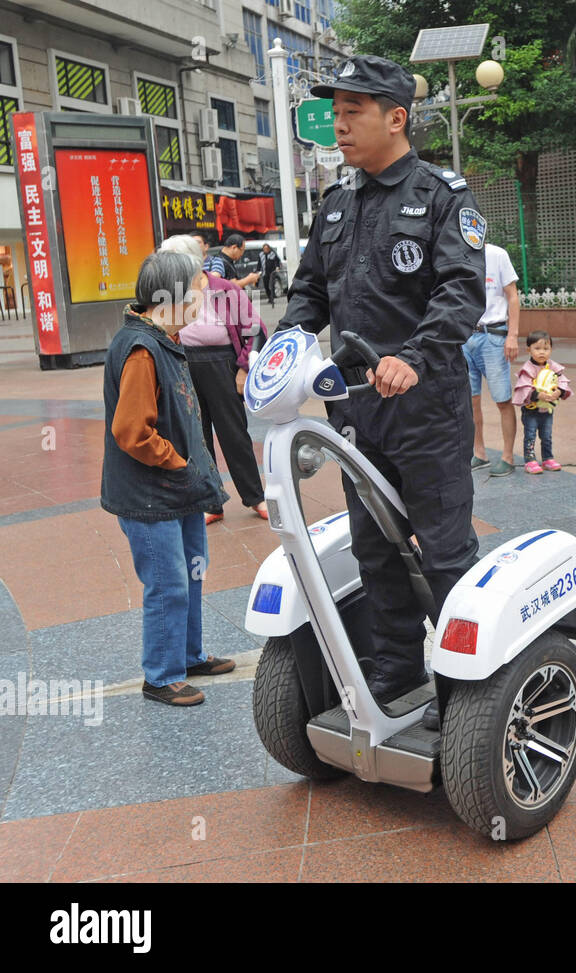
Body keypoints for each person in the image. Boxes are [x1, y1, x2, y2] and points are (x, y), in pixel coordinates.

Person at [277, 54, 486, 705]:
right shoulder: (335, 204)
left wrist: (415, 355)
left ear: (396, 118)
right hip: (357, 414)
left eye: (352, 112)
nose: (337, 126)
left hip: (425, 408)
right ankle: (397, 665)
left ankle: (464, 682)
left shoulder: (442, 197)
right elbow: (309, 291)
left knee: (445, 549)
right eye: (334, 114)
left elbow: (461, 291)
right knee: (374, 549)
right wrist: (284, 342)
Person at [100, 251, 235, 707]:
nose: (203, 299)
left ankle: (189, 655)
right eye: (196, 290)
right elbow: (132, 431)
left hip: (180, 490)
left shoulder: (165, 339)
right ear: (170, 298)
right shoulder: (141, 349)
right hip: (152, 494)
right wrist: (178, 464)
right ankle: (161, 675)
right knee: (168, 582)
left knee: (192, 573)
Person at [160, 235, 270, 525]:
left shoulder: (225, 289)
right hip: (185, 364)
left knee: (234, 433)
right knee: (196, 437)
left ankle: (255, 496)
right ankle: (210, 501)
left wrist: (244, 368)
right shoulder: (171, 292)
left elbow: (255, 329)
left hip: (223, 364)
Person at [464, 241, 520, 477]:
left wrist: (512, 335)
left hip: (494, 336)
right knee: (471, 400)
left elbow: (513, 296)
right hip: (465, 336)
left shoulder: (497, 254)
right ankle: (480, 453)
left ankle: (507, 456)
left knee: (502, 400)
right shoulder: (457, 252)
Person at [512, 330, 572, 474]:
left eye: (546, 349)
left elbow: (562, 381)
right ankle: (530, 460)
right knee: (530, 435)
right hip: (531, 410)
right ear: (528, 349)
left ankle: (547, 458)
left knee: (546, 435)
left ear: (551, 349)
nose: (542, 352)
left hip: (547, 410)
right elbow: (524, 386)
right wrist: (538, 395)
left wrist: (559, 391)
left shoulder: (553, 366)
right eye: (537, 348)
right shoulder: (528, 368)